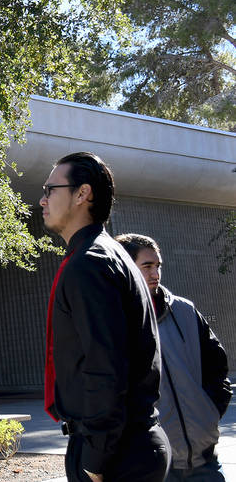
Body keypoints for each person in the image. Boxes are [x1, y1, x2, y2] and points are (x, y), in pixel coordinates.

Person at [40, 151, 169, 482]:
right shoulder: (106, 255)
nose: (42, 200)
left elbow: (105, 366)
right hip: (126, 447)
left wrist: (95, 459)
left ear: (82, 193)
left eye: (50, 189)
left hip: (116, 456)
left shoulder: (90, 263)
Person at [116, 233, 231, 481]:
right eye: (147, 266)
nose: (155, 273)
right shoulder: (114, 322)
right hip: (154, 465)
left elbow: (217, 367)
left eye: (158, 266)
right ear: (125, 267)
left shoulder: (185, 310)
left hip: (204, 460)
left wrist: (207, 412)